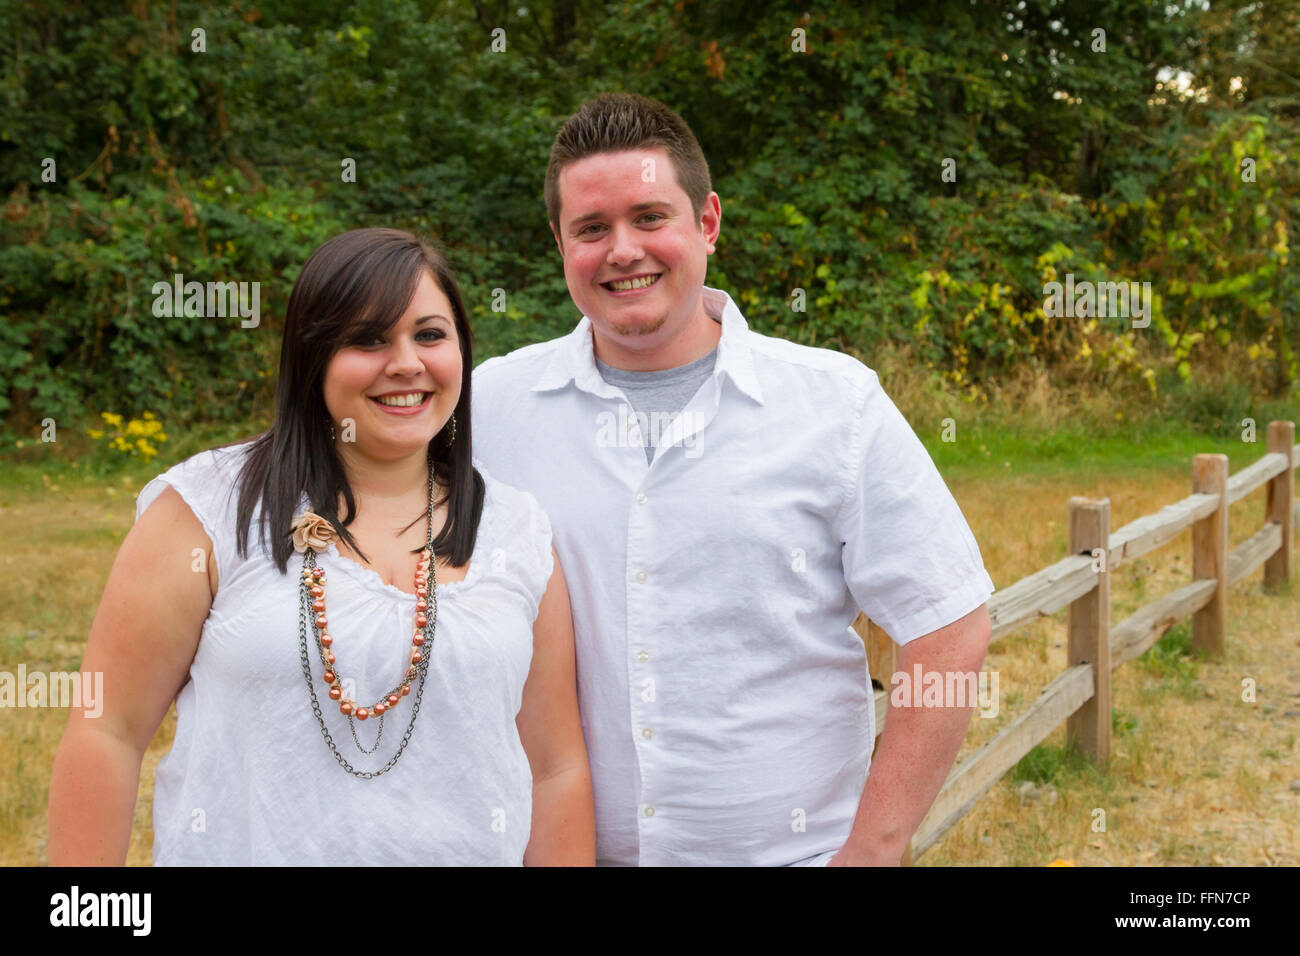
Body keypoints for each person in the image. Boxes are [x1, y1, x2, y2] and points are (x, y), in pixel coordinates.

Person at [470, 93, 995, 866]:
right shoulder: (491, 407)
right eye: (592, 228)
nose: (623, 250)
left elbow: (947, 625)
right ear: (559, 242)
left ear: (707, 222)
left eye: (650, 218)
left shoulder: (834, 404)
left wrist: (876, 848)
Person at [49, 227, 594, 866]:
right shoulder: (206, 510)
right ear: (312, 357)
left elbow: (556, 769)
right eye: (367, 338)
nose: (406, 363)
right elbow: (106, 732)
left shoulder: (516, 531)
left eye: (429, 334)